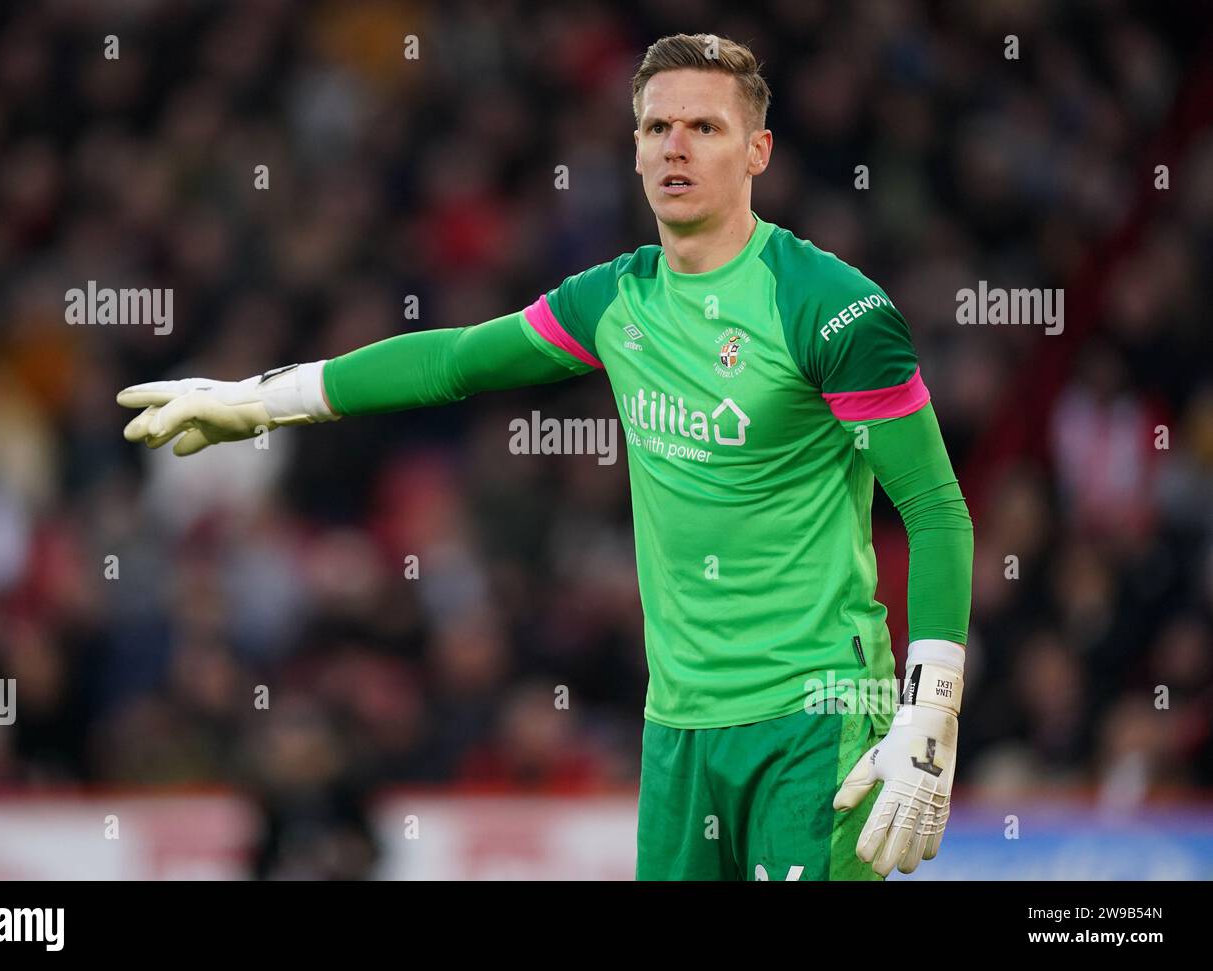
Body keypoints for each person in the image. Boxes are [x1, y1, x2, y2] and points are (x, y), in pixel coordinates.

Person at [117, 33, 973, 881]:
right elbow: (456, 360)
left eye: (705, 128)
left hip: (816, 715)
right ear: (634, 149)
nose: (675, 147)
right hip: (679, 725)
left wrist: (930, 710)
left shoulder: (831, 308)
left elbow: (936, 509)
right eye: (657, 127)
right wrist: (259, 400)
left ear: (758, 151)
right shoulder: (618, 298)